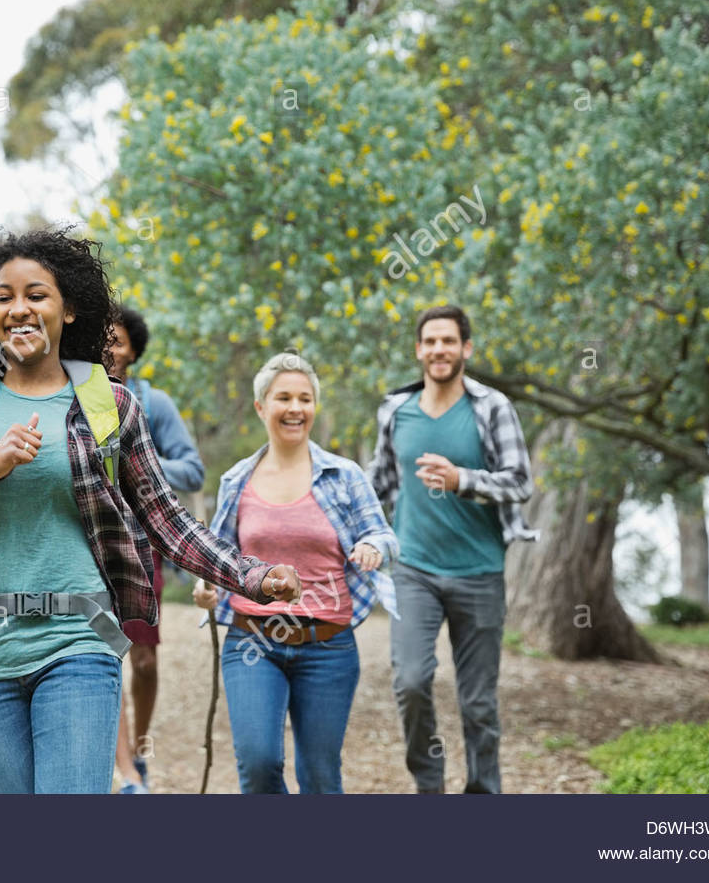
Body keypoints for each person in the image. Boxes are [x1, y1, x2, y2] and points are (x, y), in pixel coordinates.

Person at [0, 228, 301, 794]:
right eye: (4, 297)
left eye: (37, 294)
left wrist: (252, 575)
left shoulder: (109, 403)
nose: (18, 309)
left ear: (70, 308)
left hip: (77, 642)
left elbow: (168, 521)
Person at [193, 350, 397, 794]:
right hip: (253, 640)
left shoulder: (345, 475)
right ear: (261, 406)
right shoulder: (237, 481)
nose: (295, 408)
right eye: (283, 397)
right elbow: (216, 557)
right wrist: (207, 587)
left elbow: (384, 535)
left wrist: (370, 546)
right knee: (260, 763)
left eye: (305, 399)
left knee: (320, 777)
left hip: (328, 646)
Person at [369, 305, 537, 794]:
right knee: (412, 681)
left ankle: (483, 793)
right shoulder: (394, 410)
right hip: (414, 569)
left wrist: (463, 479)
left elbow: (521, 482)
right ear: (418, 350)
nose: (439, 350)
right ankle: (430, 787)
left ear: (466, 348)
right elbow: (376, 480)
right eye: (430, 341)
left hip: (479, 570)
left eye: (449, 341)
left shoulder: (492, 407)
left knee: (478, 702)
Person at [106, 307, 205, 793]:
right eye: (101, 338)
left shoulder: (153, 403)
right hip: (88, 548)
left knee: (143, 661)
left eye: (119, 340)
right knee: (104, 658)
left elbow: (193, 470)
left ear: (135, 350)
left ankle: (139, 751)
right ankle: (126, 774)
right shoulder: (69, 391)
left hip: (143, 548)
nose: (110, 348)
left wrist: (140, 456)